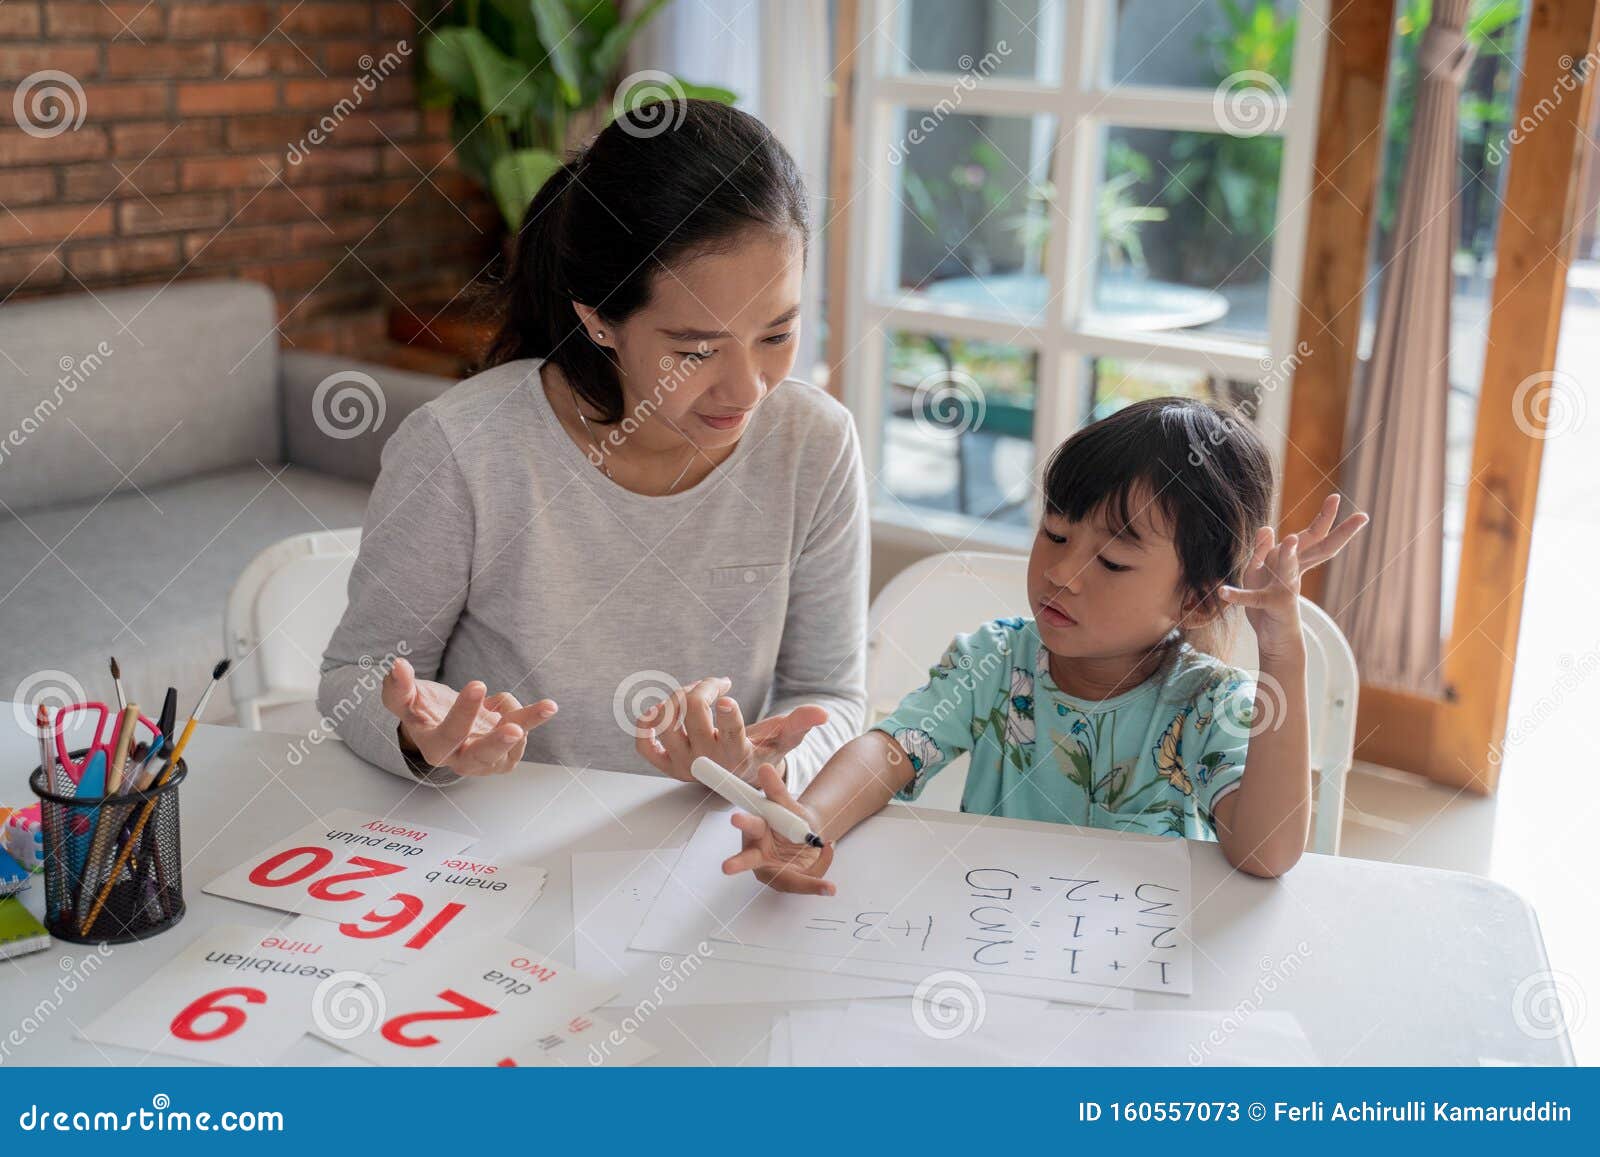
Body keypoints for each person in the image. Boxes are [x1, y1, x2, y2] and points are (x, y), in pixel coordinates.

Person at [317, 100, 867, 789]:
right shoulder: (465, 448)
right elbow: (351, 679)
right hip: (495, 849)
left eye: (777, 336)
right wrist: (420, 735)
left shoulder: (813, 443)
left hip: (702, 851)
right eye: (697, 351)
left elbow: (831, 695)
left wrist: (770, 761)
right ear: (599, 319)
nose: (748, 388)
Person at [720, 397, 1368, 886]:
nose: (1062, 572)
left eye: (1112, 562)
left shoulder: (1208, 704)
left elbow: (1268, 852)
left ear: (1196, 597)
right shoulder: (995, 664)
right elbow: (887, 752)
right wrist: (809, 823)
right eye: (1055, 532)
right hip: (989, 943)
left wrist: (1283, 647)